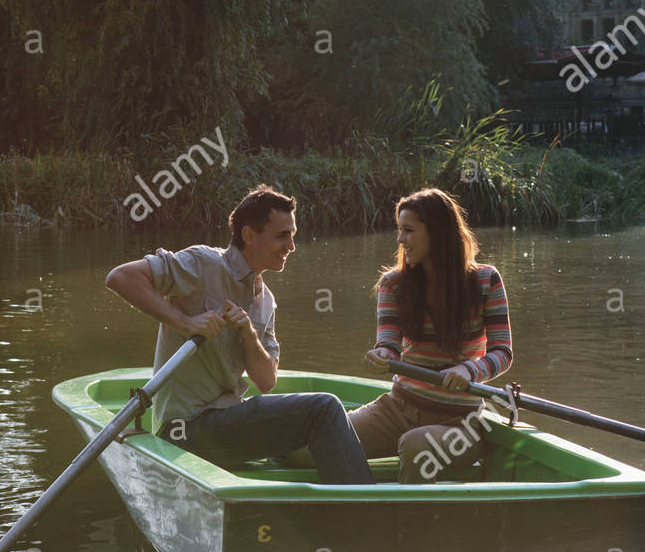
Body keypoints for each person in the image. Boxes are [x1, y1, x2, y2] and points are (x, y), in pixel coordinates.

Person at [104, 185, 374, 485]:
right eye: (282, 236)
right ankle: (364, 507)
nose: (291, 247)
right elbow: (121, 277)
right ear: (248, 235)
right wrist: (184, 322)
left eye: (293, 235)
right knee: (325, 407)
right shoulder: (202, 263)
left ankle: (341, 502)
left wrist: (248, 335)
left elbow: (266, 381)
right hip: (184, 429)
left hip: (228, 423)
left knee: (320, 420)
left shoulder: (266, 300)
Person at [351, 187, 513, 482]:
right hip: (397, 408)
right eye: (399, 230)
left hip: (460, 420)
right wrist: (382, 356)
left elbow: (503, 353)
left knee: (415, 446)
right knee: (309, 445)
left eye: (409, 230)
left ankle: (410, 525)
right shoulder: (393, 284)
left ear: (437, 232)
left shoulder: (487, 281)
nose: (401, 240)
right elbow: (389, 344)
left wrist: (468, 369)